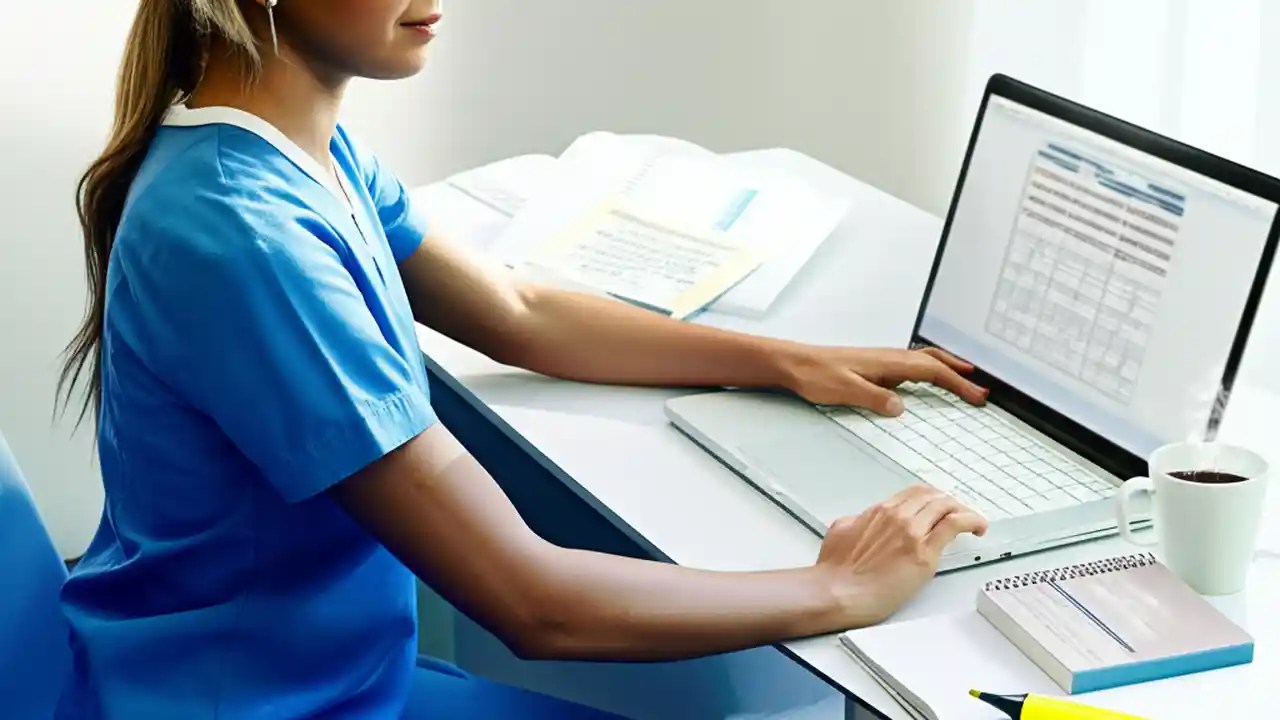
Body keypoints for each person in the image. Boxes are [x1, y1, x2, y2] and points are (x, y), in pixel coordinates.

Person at [55, 1, 990, 717]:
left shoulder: (303, 147)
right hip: (262, 698)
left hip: (312, 666)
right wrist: (837, 587)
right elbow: (532, 601)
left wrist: (780, 359)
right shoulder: (244, 236)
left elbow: (518, 313)